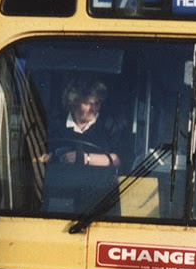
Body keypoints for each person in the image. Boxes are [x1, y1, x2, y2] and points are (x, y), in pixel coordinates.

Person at [40, 77, 129, 210]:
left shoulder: (110, 124)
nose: (94, 109)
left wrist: (85, 158)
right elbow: (41, 154)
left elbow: (118, 159)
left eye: (97, 104)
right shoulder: (55, 124)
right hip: (60, 194)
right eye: (88, 103)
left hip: (100, 197)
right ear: (74, 102)